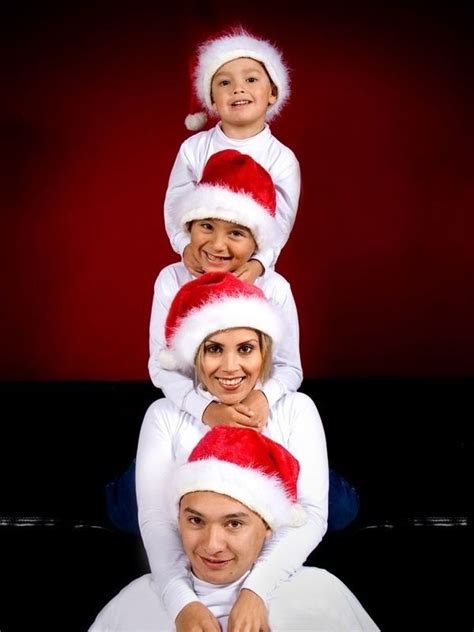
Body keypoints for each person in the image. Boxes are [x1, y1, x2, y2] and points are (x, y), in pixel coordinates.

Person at [106, 150, 359, 535]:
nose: (218, 245)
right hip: (193, 413)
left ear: (256, 239)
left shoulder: (274, 287)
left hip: (256, 414)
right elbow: (161, 365)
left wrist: (263, 399)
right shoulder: (170, 280)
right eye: (206, 226)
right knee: (128, 513)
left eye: (236, 233)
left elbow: (290, 368)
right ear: (188, 225)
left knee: (338, 510)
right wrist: (206, 410)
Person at [90, 426, 379, 631]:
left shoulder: (322, 593)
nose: (212, 544)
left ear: (267, 527)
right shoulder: (134, 602)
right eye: (196, 520)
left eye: (234, 523)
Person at [165, 24, 300, 282]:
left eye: (251, 79)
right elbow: (175, 203)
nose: (238, 88)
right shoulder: (194, 149)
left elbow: (281, 221)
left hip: (249, 270)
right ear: (212, 99)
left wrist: (260, 264)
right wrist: (184, 246)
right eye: (225, 82)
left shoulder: (282, 158)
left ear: (272, 92)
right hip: (200, 265)